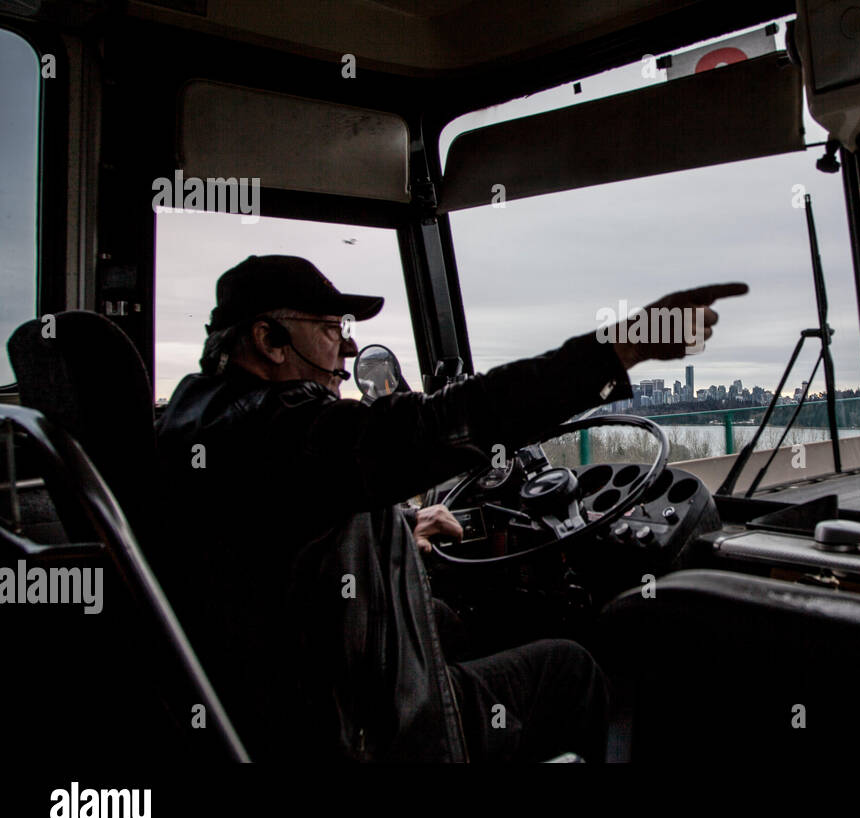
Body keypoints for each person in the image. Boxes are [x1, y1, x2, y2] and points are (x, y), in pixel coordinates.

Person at [150, 254, 745, 762]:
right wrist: (623, 347)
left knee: (451, 619)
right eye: (331, 328)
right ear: (269, 341)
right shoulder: (284, 430)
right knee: (570, 668)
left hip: (275, 701)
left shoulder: (193, 420)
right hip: (364, 735)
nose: (348, 345)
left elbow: (294, 523)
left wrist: (403, 525)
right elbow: (450, 421)